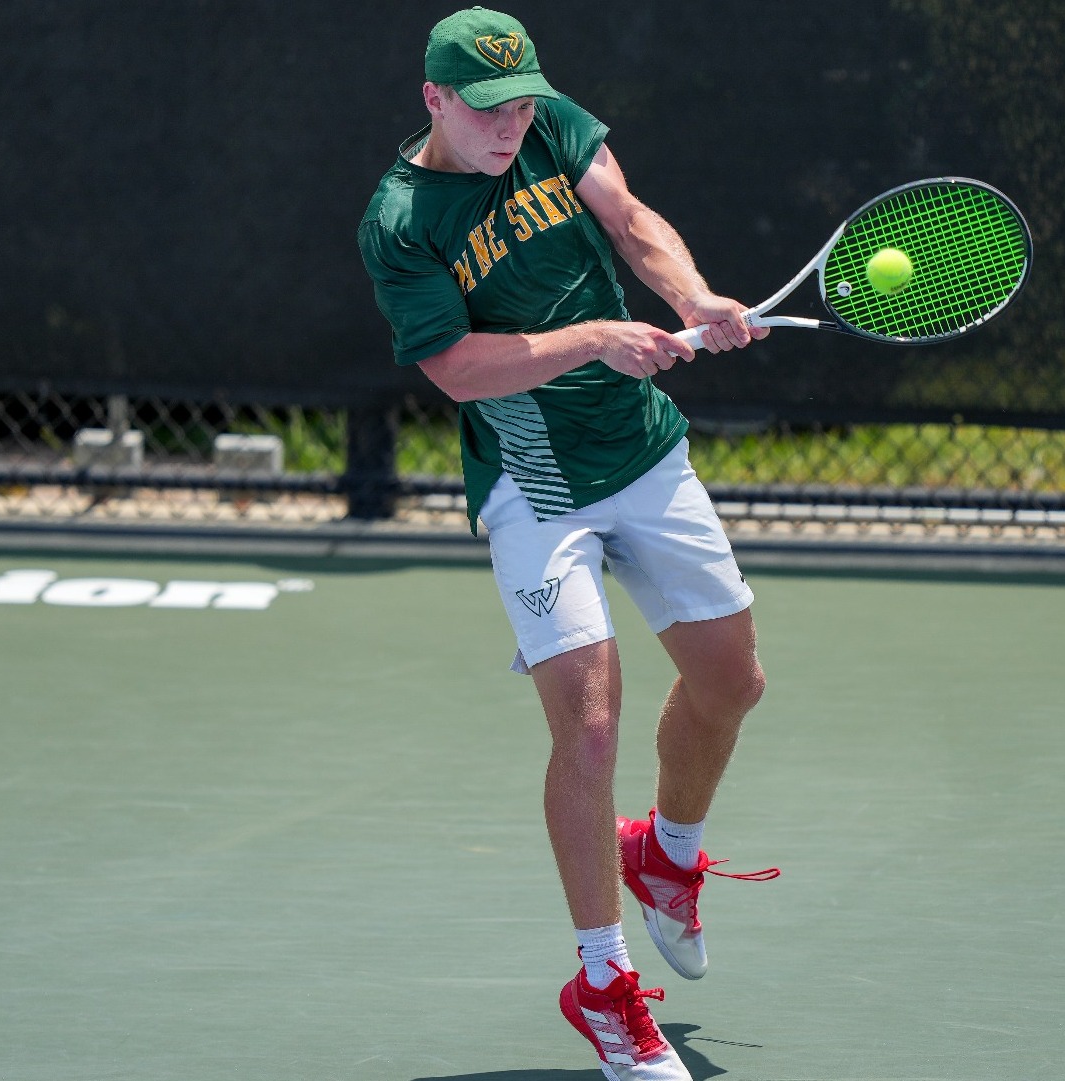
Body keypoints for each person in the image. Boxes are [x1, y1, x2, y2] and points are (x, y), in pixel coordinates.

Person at [357, 9, 776, 1079]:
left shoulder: (549, 127)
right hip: (535, 492)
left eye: (522, 104)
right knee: (588, 730)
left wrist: (689, 296)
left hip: (642, 454)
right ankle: (601, 983)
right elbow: (453, 368)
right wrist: (597, 337)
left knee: (731, 683)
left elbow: (628, 220)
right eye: (487, 111)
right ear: (433, 100)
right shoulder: (400, 219)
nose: (510, 128)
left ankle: (664, 854)